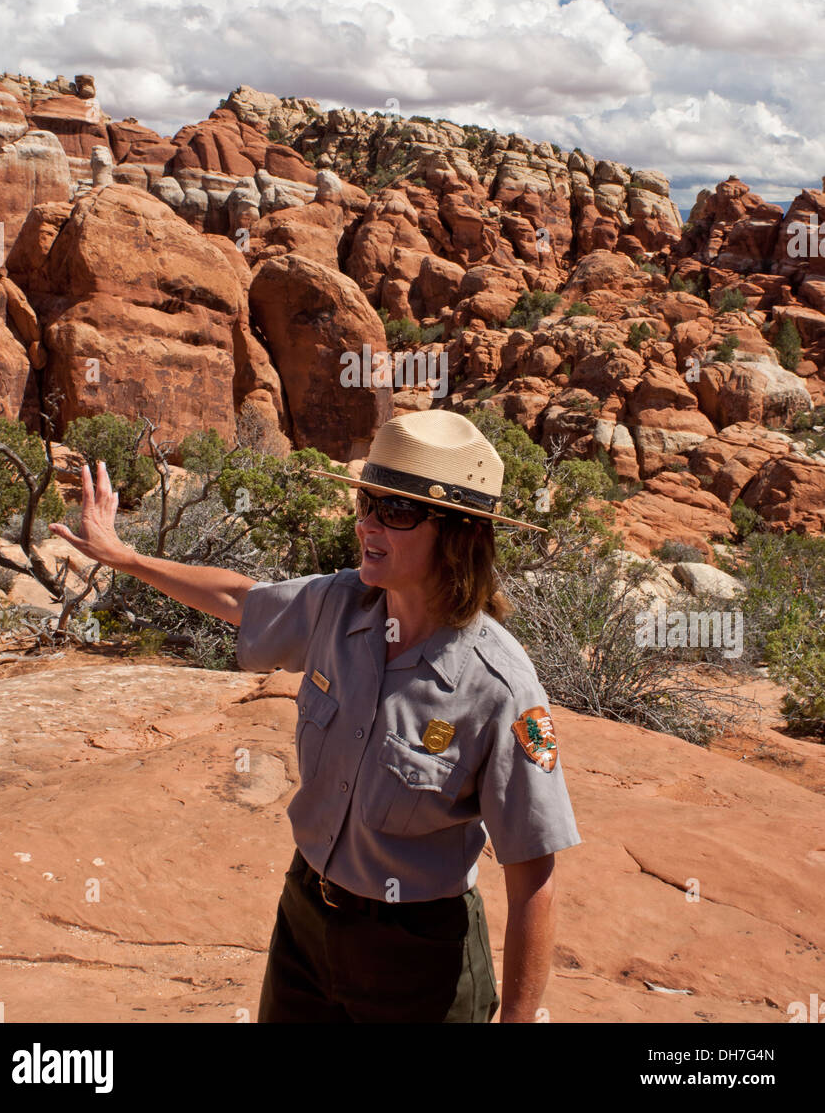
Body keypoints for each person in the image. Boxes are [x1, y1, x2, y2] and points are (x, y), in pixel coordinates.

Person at [50, 409, 582, 1023]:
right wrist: (126, 558)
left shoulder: (499, 684)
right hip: (305, 919)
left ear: (458, 533)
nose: (368, 526)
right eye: (366, 503)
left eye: (396, 511)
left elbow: (533, 874)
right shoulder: (339, 605)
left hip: (418, 960)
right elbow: (240, 601)